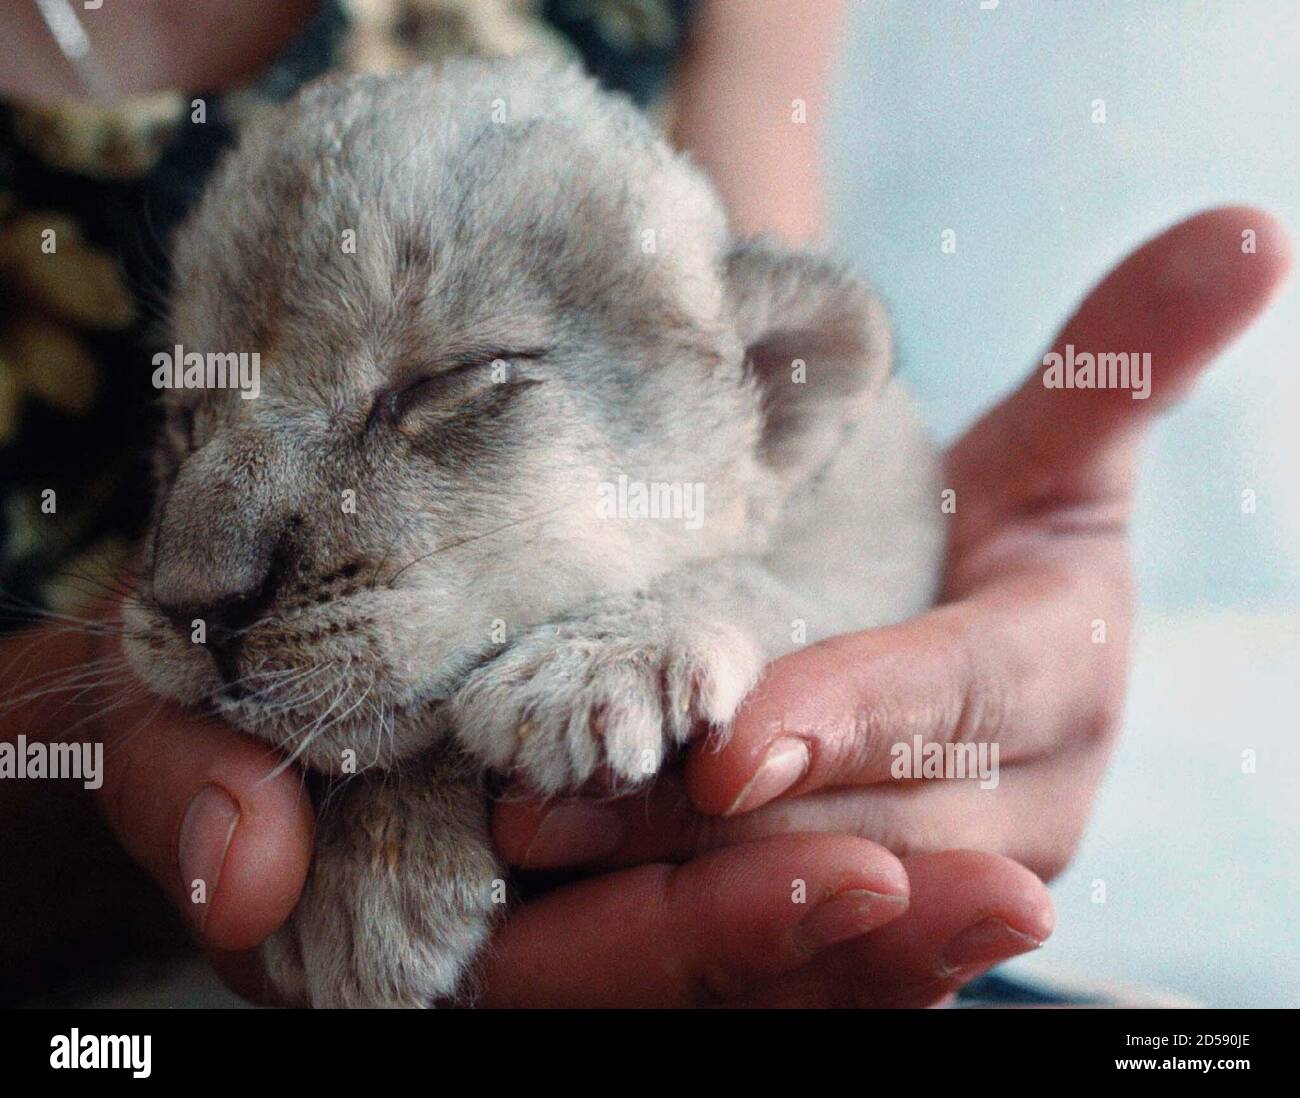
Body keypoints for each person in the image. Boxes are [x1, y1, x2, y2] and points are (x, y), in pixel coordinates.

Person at [0, 0, 1290, 1006]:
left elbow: (762, 476)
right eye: (189, 426)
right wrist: (93, 799)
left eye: (442, 387)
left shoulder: (744, 358)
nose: (200, 570)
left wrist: (839, 605)